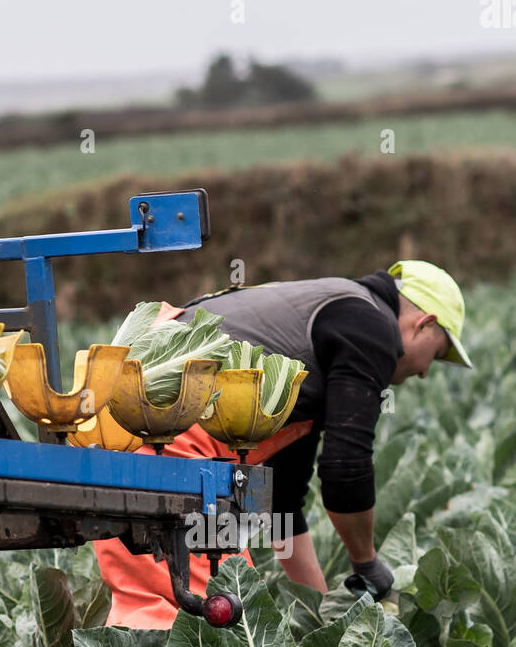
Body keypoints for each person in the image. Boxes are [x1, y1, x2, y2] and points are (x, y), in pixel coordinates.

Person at [94, 260, 471, 628]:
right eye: (434, 356)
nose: (423, 373)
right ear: (425, 324)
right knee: (209, 625)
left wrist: (322, 618)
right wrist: (366, 561)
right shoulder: (371, 326)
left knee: (145, 607)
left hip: (119, 420)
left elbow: (280, 504)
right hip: (165, 429)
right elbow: (346, 470)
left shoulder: (320, 331)